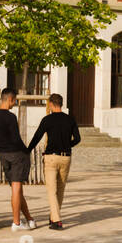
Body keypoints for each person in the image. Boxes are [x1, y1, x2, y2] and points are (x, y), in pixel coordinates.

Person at [27, 92, 81, 230]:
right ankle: (53, 216)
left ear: (51, 104)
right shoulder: (70, 119)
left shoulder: (47, 120)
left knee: (51, 190)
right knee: (60, 189)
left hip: (51, 157)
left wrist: (27, 150)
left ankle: (57, 221)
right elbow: (78, 139)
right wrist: (68, 145)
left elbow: (37, 136)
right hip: (66, 157)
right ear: (61, 104)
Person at [0, 88, 35, 232]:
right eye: (14, 100)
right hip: (15, 154)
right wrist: (26, 151)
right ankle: (16, 223)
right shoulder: (10, 117)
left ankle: (29, 219)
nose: (14, 103)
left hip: (2, 154)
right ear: (10, 99)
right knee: (16, 189)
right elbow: (16, 139)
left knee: (17, 190)